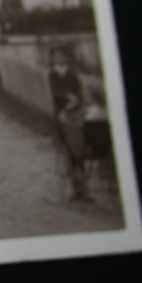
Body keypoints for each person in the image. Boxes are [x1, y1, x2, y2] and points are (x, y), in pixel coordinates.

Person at [49, 46, 88, 201]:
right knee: (68, 150)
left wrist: (76, 99)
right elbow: (53, 92)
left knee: (79, 148)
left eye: (62, 56)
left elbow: (79, 90)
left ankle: (83, 188)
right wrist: (67, 97)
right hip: (62, 115)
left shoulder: (72, 75)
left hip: (75, 115)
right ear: (52, 59)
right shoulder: (52, 75)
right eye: (56, 56)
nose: (59, 59)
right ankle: (74, 187)